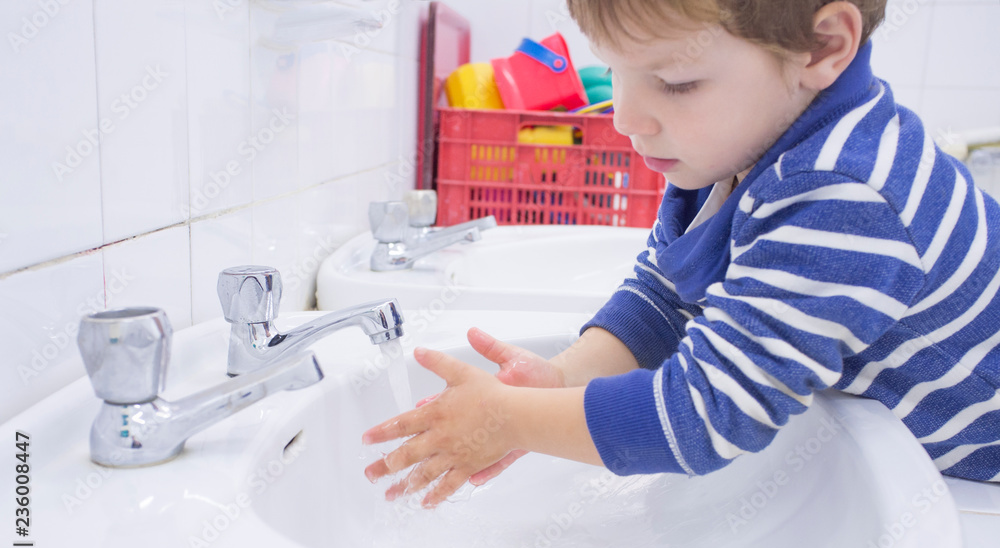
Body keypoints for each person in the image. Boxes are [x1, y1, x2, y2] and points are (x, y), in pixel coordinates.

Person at [363, 0, 1000, 507]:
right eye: (615, 69)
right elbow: (666, 295)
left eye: (675, 82)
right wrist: (564, 377)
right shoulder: (741, 152)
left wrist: (514, 420)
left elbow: (708, 414)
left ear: (824, 44)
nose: (626, 116)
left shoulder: (845, 195)